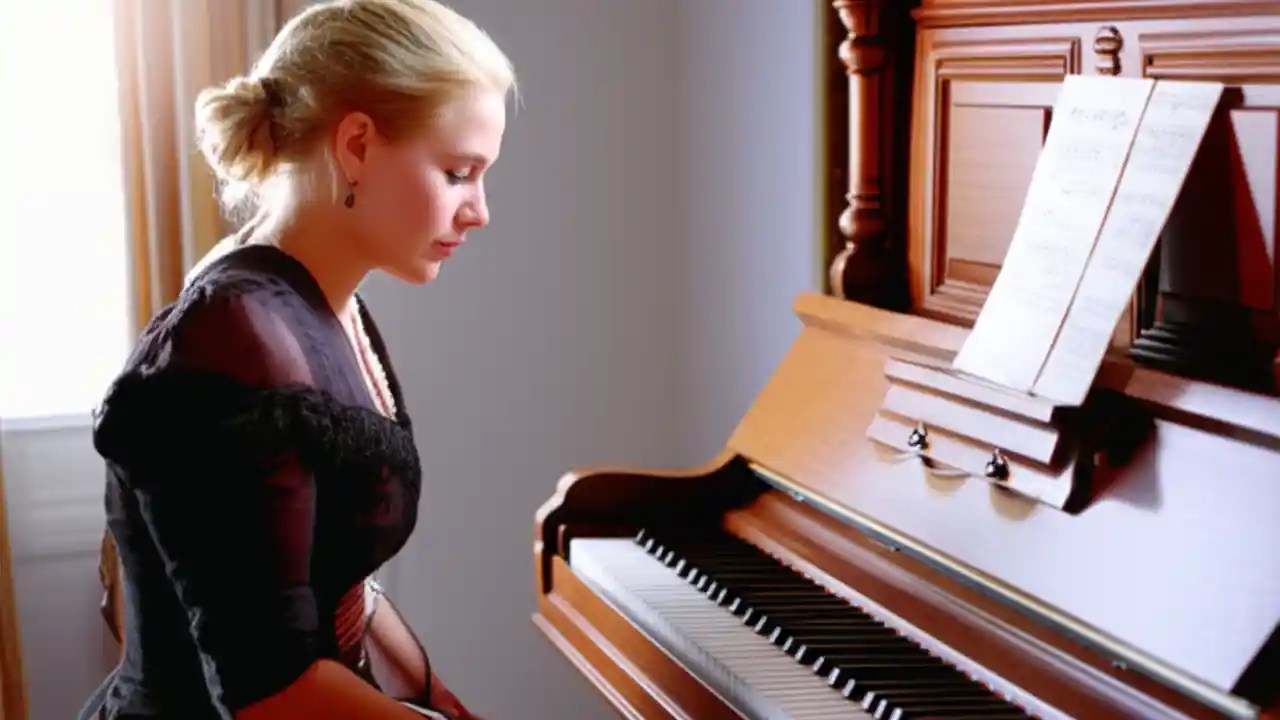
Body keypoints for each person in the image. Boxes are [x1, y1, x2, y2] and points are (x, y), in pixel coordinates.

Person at [77, 1, 514, 718]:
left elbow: (334, 583)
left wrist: (439, 700)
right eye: (459, 172)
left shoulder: (323, 304)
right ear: (357, 146)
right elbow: (270, 692)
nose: (480, 210)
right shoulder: (235, 334)